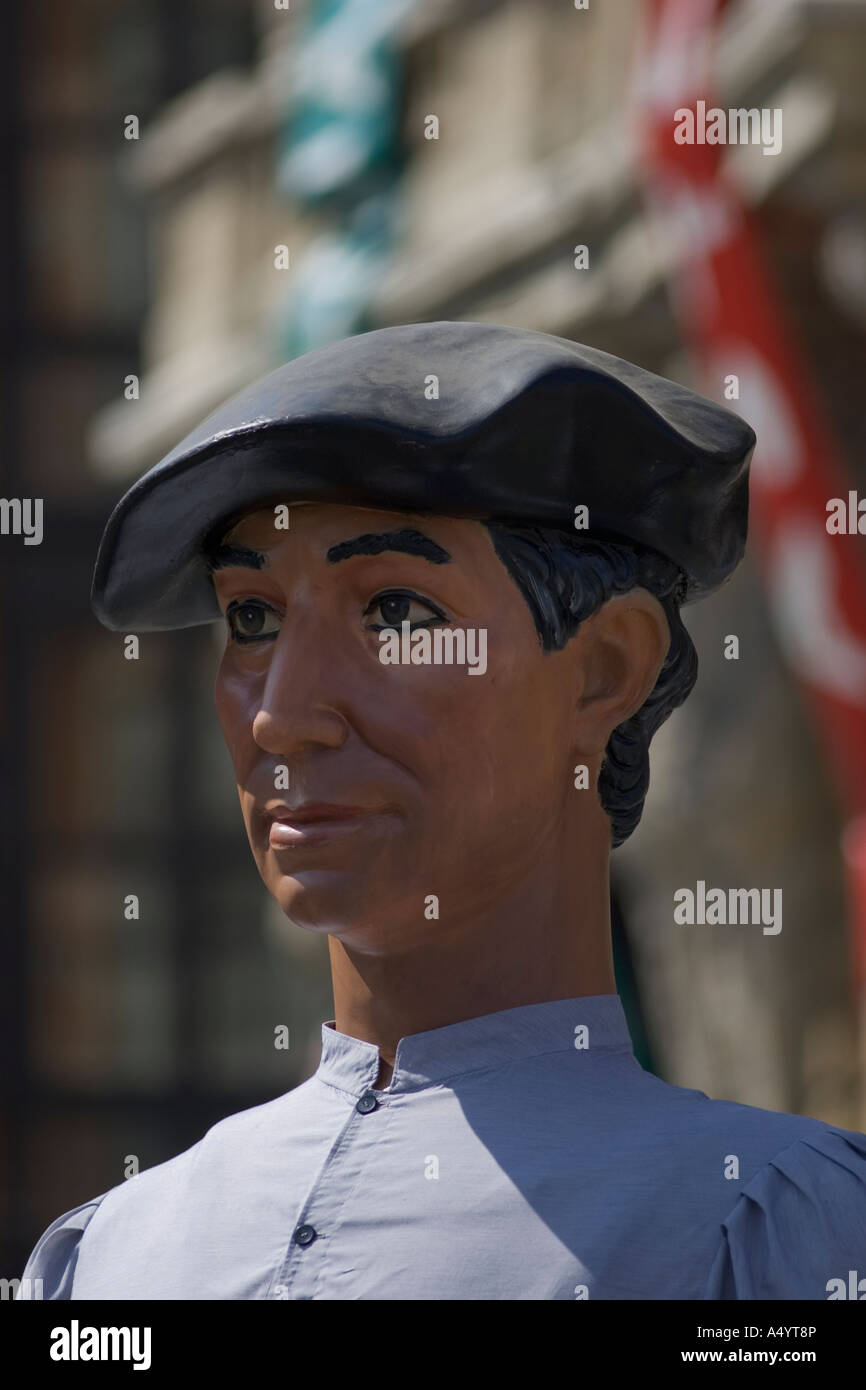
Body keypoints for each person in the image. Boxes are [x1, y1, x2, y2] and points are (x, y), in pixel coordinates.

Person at [19, 321, 866, 1299]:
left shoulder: (771, 1238)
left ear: (602, 669)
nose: (285, 717)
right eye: (251, 616)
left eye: (395, 612)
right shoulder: (111, 1258)